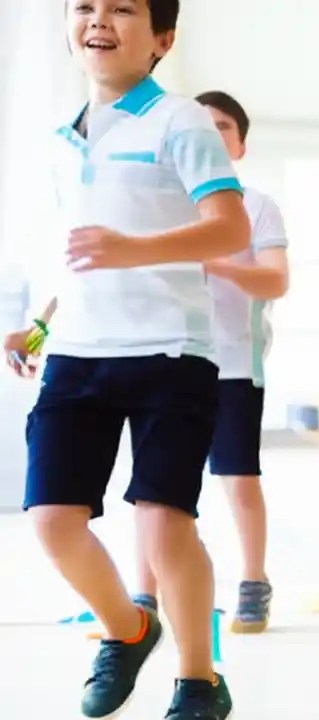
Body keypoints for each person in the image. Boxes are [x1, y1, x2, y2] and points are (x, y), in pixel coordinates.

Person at [1, 1, 247, 716]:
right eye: (85, 6)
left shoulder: (181, 121)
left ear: (162, 38)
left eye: (122, 8)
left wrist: (132, 250)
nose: (99, 19)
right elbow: (79, 256)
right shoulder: (62, 139)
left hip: (172, 351)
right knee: (52, 518)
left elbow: (228, 228)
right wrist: (38, 328)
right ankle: (129, 629)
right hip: (78, 351)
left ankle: (199, 681)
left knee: (164, 522)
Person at [131, 90, 289, 636]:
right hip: (165, 360)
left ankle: (253, 583)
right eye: (200, 124)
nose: (210, 134)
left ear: (240, 145)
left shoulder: (258, 206)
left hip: (232, 367)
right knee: (153, 486)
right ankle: (144, 595)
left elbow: (276, 280)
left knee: (237, 480)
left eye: (222, 126)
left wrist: (214, 263)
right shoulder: (159, 204)